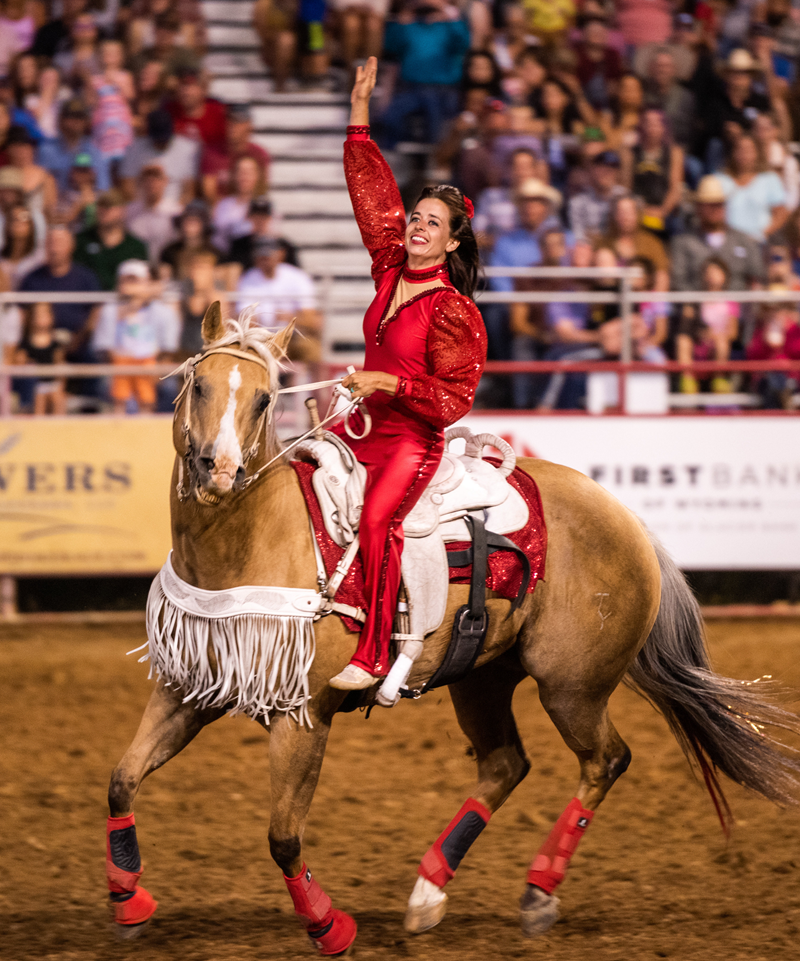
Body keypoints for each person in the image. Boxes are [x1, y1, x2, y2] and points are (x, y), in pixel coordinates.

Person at [328, 58, 486, 690]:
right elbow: (372, 199)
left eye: (432, 224)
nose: (417, 227)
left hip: (411, 439)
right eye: (416, 217)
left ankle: (373, 651)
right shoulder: (389, 267)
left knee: (375, 521)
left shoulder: (453, 309)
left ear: (452, 243)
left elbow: (455, 399)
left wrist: (388, 384)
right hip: (365, 424)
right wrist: (359, 115)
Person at [93, 259, 179, 413]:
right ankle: (117, 427)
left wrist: (155, 371)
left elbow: (168, 350)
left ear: (147, 283)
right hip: (120, 364)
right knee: (113, 384)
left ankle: (147, 427)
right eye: (126, 280)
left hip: (150, 364)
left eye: (135, 280)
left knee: (157, 387)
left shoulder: (164, 312)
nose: (130, 285)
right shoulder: (109, 311)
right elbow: (104, 349)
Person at [235, 235, 321, 366]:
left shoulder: (298, 277)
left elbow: (312, 319)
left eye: (268, 255)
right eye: (261, 256)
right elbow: (245, 318)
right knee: (246, 348)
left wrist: (288, 318)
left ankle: (318, 386)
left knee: (311, 348)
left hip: (293, 337)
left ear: (280, 254)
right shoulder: (248, 279)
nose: (265, 260)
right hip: (262, 339)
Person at [670, 174, 765, 291]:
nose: (716, 208)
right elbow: (678, 281)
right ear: (699, 207)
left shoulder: (744, 241)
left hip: (738, 305)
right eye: (710, 204)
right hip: (697, 305)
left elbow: (757, 278)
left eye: (720, 204)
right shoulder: (683, 243)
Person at [677, 256, 740, 393]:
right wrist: (701, 332)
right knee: (683, 340)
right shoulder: (695, 300)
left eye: (716, 271)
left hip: (718, 346)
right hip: (698, 343)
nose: (712, 275)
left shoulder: (730, 302)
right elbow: (686, 327)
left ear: (725, 275)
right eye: (709, 272)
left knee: (721, 342)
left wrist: (716, 335)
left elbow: (733, 333)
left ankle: (719, 379)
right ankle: (688, 381)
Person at [716, 133, 788, 241]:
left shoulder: (769, 179)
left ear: (757, 153)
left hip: (760, 242)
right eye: (739, 149)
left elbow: (781, 214)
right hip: (728, 243)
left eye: (748, 150)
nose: (743, 154)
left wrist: (763, 234)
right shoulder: (720, 180)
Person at [120, 108, 199, 205]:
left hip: (175, 210)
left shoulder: (187, 149)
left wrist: (176, 212)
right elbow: (127, 187)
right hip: (142, 209)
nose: (161, 142)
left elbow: (188, 191)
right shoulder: (134, 149)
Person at [74, 188, 149, 289]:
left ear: (122, 210)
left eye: (109, 206)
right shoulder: (81, 241)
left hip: (124, 301)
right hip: (88, 301)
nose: (103, 211)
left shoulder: (135, 246)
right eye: (100, 206)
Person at [200, 103, 271, 205]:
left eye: (238, 121)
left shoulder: (259, 154)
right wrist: (228, 208)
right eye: (229, 120)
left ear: (249, 125)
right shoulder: (212, 152)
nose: (232, 125)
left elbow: (261, 189)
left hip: (249, 210)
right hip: (219, 212)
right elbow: (209, 193)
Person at [37, 97, 111, 194]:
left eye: (80, 117)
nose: (76, 121)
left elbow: (103, 188)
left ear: (86, 121)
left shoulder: (94, 150)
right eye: (70, 117)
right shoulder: (46, 150)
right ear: (61, 120)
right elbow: (39, 187)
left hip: (88, 204)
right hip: (56, 204)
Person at [14, 301, 67, 415]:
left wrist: (60, 386)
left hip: (52, 383)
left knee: (58, 398)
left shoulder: (55, 345)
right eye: (37, 315)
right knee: (39, 398)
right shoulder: (26, 344)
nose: (41, 318)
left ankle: (60, 427)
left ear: (51, 317)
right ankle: (38, 428)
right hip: (35, 385)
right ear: (31, 318)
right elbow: (20, 363)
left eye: (44, 314)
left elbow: (60, 366)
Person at [126, 162, 182, 264]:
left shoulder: (175, 211)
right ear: (140, 183)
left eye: (157, 179)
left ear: (165, 182)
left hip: (167, 265)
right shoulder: (130, 211)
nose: (151, 183)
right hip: (137, 266)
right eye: (147, 179)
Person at [568, 149, 626, 242]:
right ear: (592, 170)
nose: (606, 173)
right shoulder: (578, 202)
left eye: (611, 169)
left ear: (617, 173)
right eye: (601, 168)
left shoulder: (625, 198)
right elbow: (577, 236)